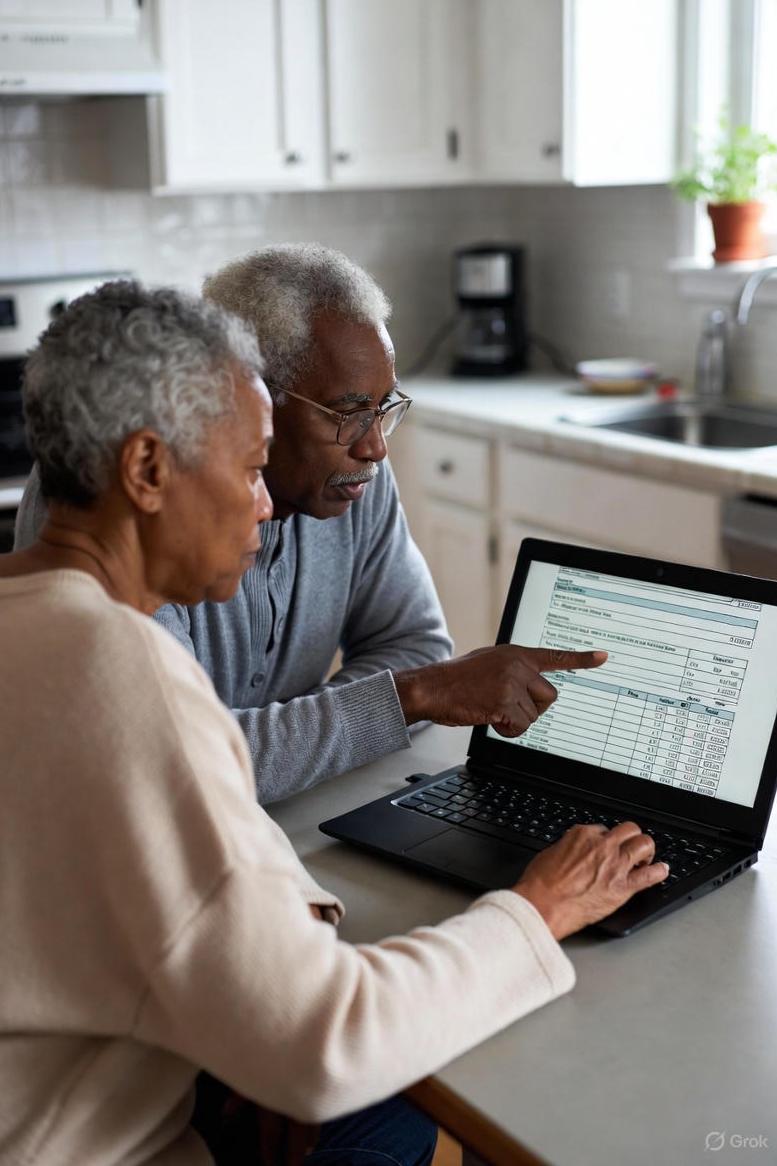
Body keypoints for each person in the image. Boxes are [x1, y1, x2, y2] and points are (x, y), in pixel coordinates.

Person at [1, 280, 668, 1166]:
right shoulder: (122, 668)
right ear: (149, 471)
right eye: (247, 468)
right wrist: (540, 907)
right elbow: (329, 1044)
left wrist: (278, 930)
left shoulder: (36, 619)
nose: (266, 506)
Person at [16, 244, 603, 805]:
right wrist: (409, 699)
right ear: (252, 398)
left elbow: (412, 642)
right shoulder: (119, 517)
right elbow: (178, 764)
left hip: (289, 810)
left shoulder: (349, 472)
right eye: (348, 413)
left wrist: (294, 743)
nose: (375, 448)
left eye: (384, 409)